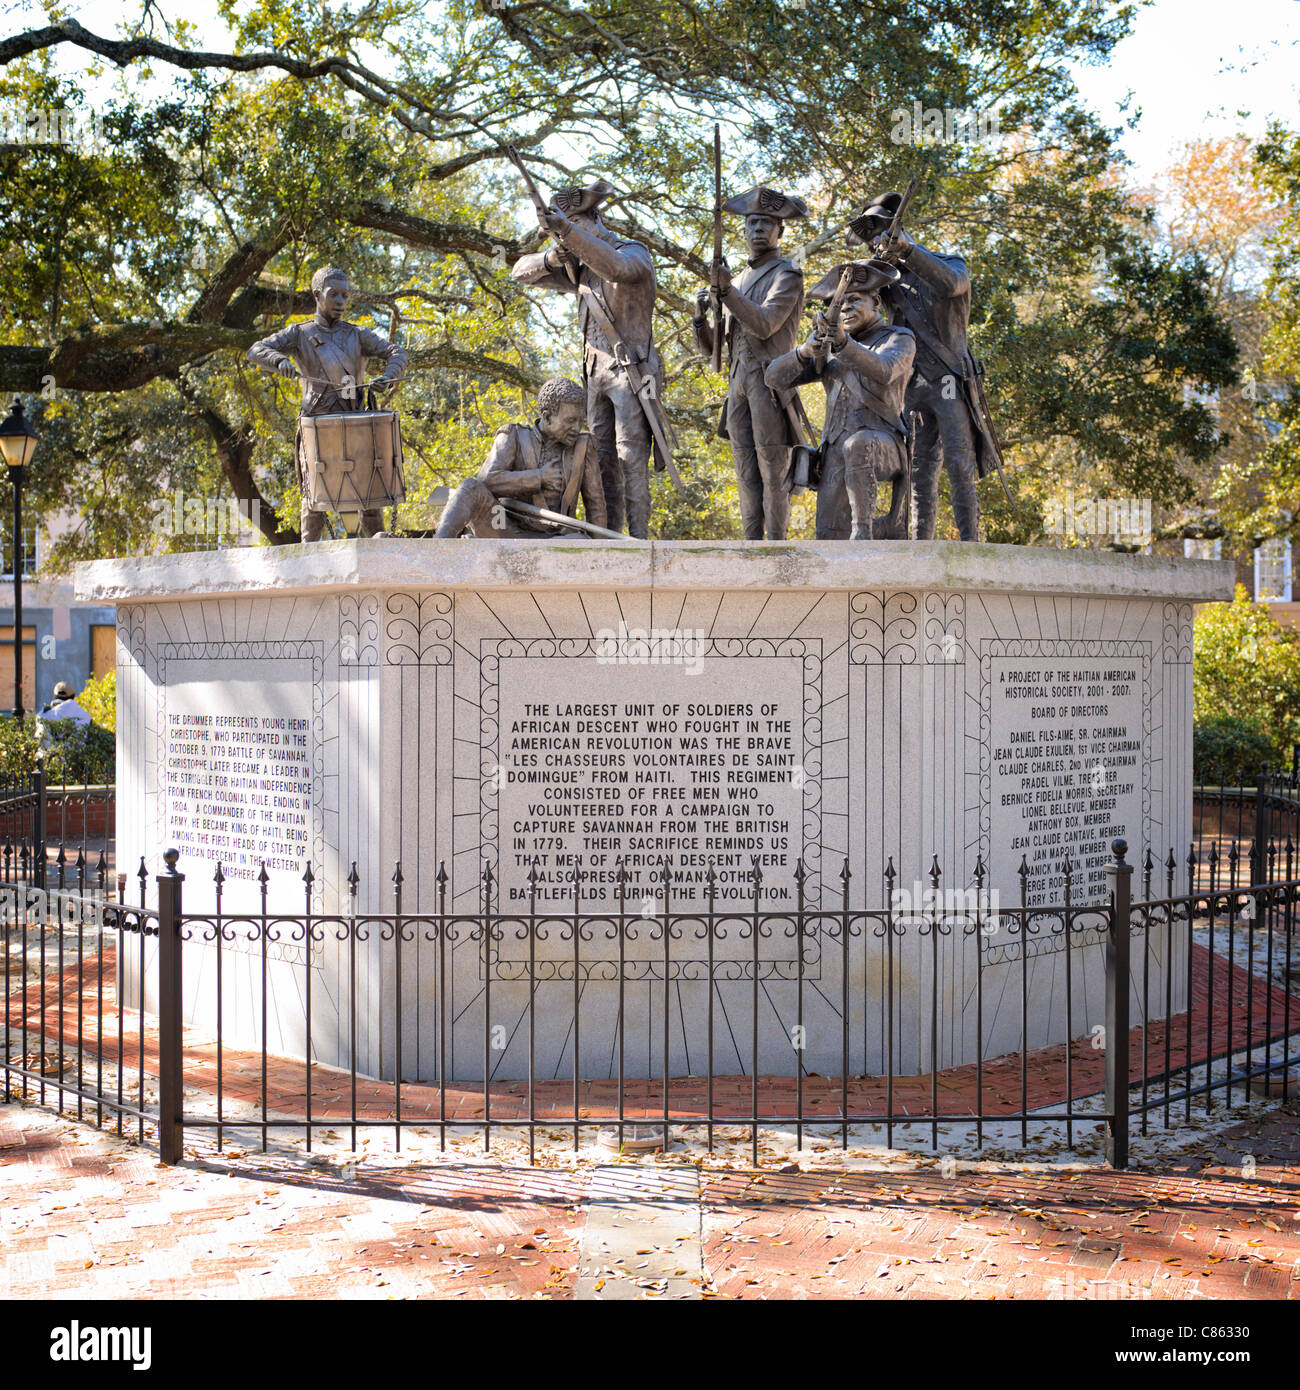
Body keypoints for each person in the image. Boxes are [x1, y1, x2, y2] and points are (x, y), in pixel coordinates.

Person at [512, 181, 673, 539]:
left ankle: (639, 540)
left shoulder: (633, 252)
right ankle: (607, 537)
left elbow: (616, 269)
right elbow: (519, 272)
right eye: (568, 231)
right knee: (600, 465)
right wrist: (551, 257)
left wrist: (566, 232)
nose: (573, 240)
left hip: (632, 372)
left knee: (631, 461)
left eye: (579, 226)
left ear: (597, 217)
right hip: (595, 377)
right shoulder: (580, 268)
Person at [851, 192, 1001, 540]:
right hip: (912, 387)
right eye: (870, 238)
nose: (876, 242)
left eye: (882, 233)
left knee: (959, 464)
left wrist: (906, 250)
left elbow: (951, 285)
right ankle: (922, 546)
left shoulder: (950, 263)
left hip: (950, 382)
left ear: (899, 228)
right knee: (919, 472)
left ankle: (971, 544)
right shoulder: (885, 284)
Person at [247, 266, 408, 541]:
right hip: (317, 425)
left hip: (356, 425)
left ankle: (379, 552)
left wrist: (389, 376)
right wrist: (279, 361)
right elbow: (256, 350)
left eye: (345, 295)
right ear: (317, 295)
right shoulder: (299, 334)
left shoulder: (358, 335)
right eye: (334, 294)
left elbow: (397, 352)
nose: (341, 302)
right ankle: (310, 557)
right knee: (313, 500)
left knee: (371, 499)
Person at [691, 185, 811, 540]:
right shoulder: (738, 280)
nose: (758, 229)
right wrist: (701, 318)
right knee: (745, 470)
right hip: (738, 382)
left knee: (773, 469)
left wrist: (727, 292)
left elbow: (763, 324)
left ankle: (775, 547)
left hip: (770, 381)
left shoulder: (788, 273)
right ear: (743, 231)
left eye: (767, 223)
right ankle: (750, 546)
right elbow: (713, 350)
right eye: (753, 222)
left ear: (780, 231)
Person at [765, 260, 914, 540]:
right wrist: (805, 351)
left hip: (885, 445)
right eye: (838, 303)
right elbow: (773, 378)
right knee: (828, 535)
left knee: (858, 444)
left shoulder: (899, 338)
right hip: (835, 452)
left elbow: (884, 371)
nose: (844, 307)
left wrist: (844, 343)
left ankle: (863, 535)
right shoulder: (829, 349)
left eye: (854, 300)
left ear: (877, 302)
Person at [435, 377, 607, 537]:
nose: (577, 428)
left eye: (580, 421)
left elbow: (596, 507)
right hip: (507, 530)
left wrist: (603, 555)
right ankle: (437, 548)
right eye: (570, 421)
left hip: (558, 538)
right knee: (470, 487)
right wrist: (539, 477)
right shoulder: (513, 436)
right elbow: (487, 480)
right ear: (547, 417)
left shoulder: (583, 446)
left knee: (579, 541)